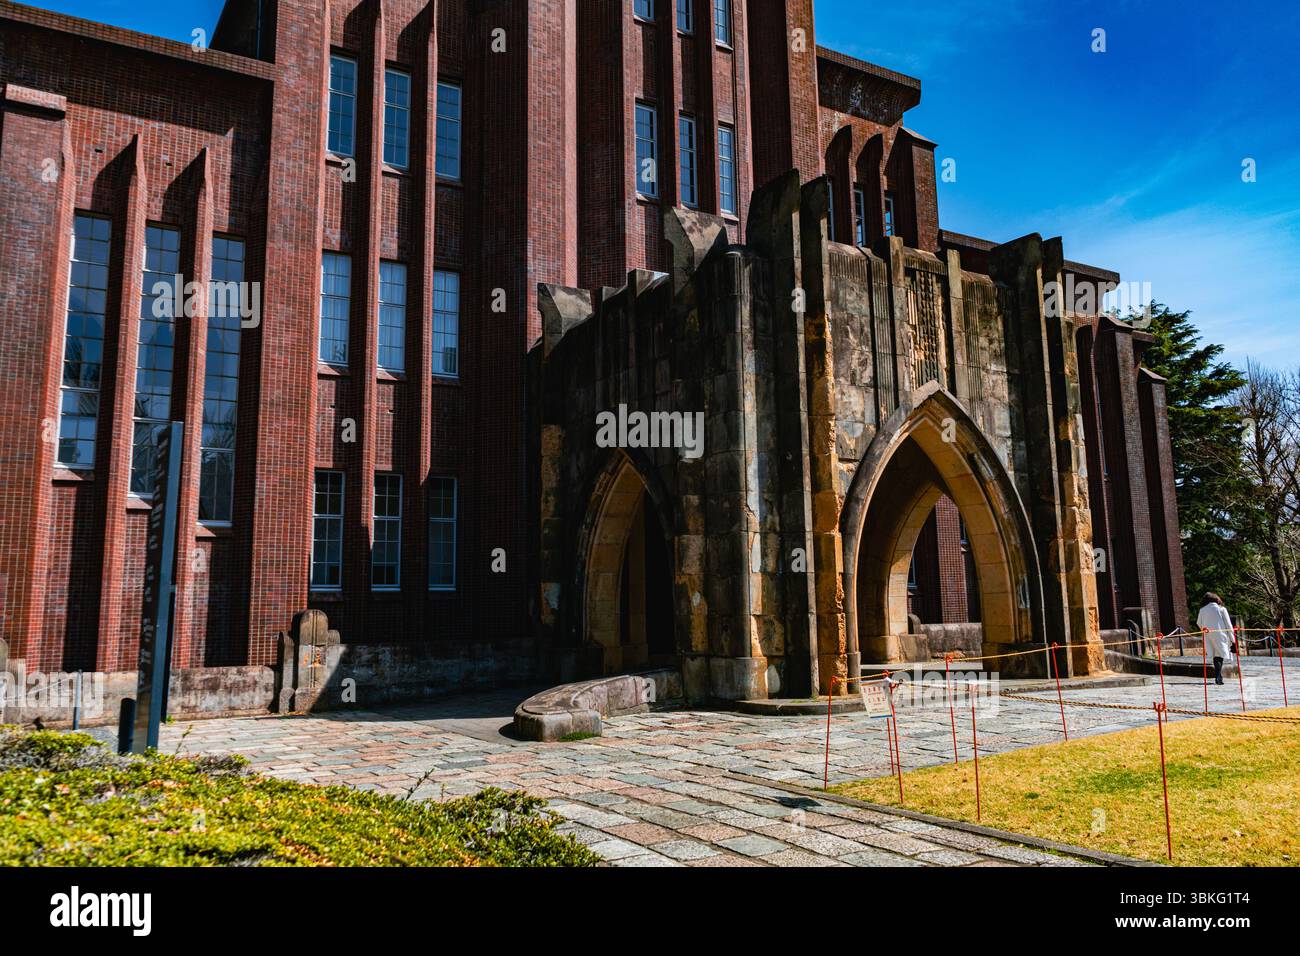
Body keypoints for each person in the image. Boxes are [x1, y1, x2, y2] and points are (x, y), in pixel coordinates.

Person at [1196, 592, 1235, 685]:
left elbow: (1199, 623)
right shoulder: (1221, 609)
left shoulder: (1202, 610)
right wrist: (1232, 637)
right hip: (1221, 634)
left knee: (1215, 655)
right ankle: (1218, 676)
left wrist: (1204, 629)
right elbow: (1228, 624)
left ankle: (1218, 676)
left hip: (1209, 635)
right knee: (1219, 655)